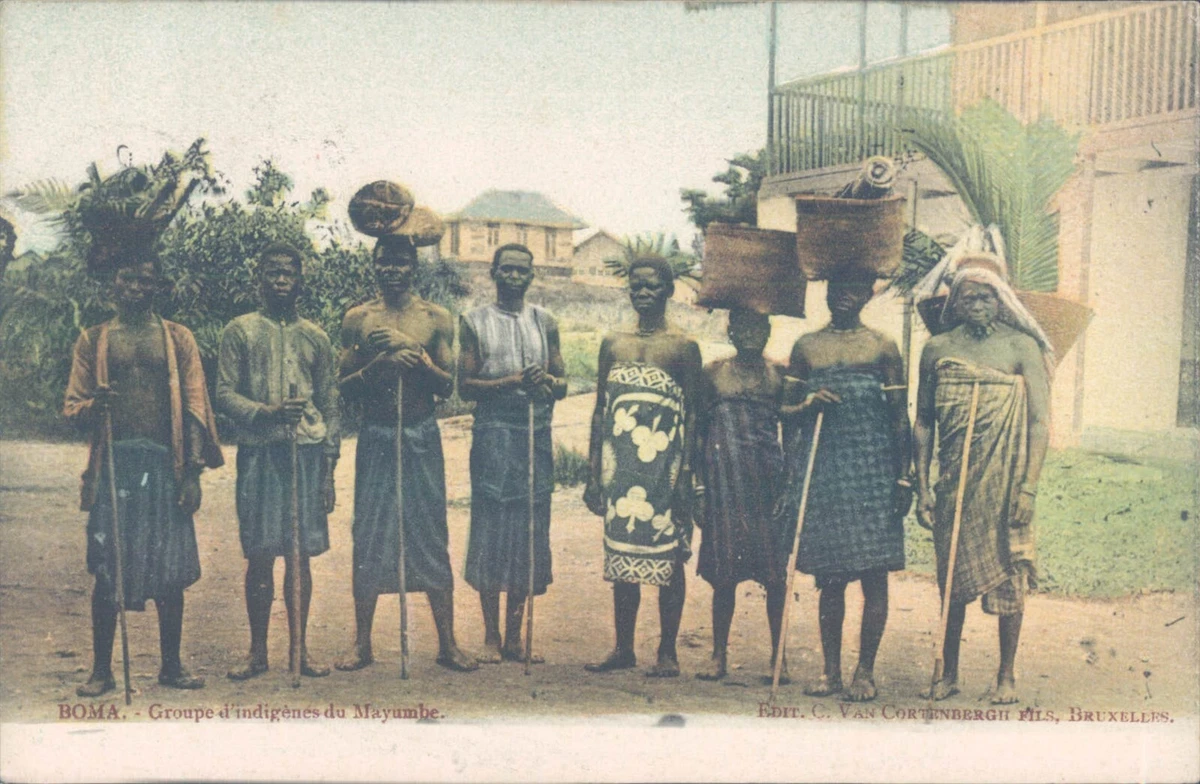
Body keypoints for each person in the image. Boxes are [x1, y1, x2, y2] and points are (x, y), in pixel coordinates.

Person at [64, 251, 224, 696]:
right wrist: (97, 404)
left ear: (159, 287)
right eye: (126, 277)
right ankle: (101, 670)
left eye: (145, 280)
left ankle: (171, 666)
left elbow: (195, 406)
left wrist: (191, 472)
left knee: (169, 571)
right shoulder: (93, 340)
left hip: (163, 465)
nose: (135, 287)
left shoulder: (177, 339)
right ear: (111, 283)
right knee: (107, 570)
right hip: (113, 467)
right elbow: (73, 407)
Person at [335, 234, 476, 672]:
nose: (392, 269)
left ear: (413, 268)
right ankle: (362, 644)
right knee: (370, 532)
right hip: (377, 434)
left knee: (429, 531)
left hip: (419, 433)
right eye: (384, 262)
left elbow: (446, 385)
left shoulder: (436, 318)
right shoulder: (357, 319)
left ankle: (448, 643)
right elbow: (343, 387)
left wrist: (410, 353)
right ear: (374, 266)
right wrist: (378, 364)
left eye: (400, 262)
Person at [914, 254, 1051, 705]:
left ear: (1002, 300)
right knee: (951, 577)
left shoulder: (1021, 348)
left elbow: (1037, 423)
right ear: (954, 303)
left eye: (987, 295)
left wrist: (1029, 487)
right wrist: (921, 487)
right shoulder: (937, 349)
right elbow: (925, 423)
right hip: (954, 483)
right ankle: (948, 671)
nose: (977, 303)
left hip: (1007, 483)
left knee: (1009, 577)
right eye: (968, 295)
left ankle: (1006, 675)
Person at [779, 270, 911, 701]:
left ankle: (865, 672)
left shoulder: (882, 346)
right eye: (837, 287)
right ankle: (831, 671)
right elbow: (783, 411)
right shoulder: (807, 347)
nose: (843, 295)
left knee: (875, 575)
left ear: (868, 293)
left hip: (873, 472)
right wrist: (807, 404)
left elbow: (898, 417)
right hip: (827, 470)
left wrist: (904, 475)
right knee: (830, 578)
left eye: (853, 287)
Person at [216, 242, 339, 681]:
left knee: (300, 556)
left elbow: (329, 404)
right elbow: (225, 393)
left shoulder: (316, 336)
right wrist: (265, 412)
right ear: (260, 279)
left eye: (289, 273)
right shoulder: (241, 330)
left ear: (300, 280)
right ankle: (257, 652)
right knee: (262, 555)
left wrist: (329, 469)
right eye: (273, 273)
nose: (281, 280)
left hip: (305, 455)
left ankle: (299, 650)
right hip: (260, 453)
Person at [583, 256, 701, 677]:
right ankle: (623, 648)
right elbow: (601, 410)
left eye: (652, 286)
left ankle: (668, 651)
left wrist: (686, 475)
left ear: (669, 290)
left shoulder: (683, 347)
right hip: (622, 470)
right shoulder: (614, 343)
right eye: (636, 286)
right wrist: (594, 469)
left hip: (664, 471)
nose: (643, 293)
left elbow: (692, 416)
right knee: (623, 556)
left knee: (669, 559)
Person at [458, 244, 567, 664]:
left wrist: (545, 382)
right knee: (491, 526)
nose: (514, 277)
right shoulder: (474, 321)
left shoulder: (545, 321)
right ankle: (488, 635)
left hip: (534, 435)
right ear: (493, 272)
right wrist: (511, 381)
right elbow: (464, 387)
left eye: (523, 270)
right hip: (493, 434)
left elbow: (564, 385)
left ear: (532, 275)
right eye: (507, 270)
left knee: (528, 529)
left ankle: (515, 636)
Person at [693, 308, 788, 682]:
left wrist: (788, 488)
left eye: (758, 327)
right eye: (743, 326)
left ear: (768, 330)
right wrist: (699, 486)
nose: (751, 334)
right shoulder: (714, 373)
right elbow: (698, 431)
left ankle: (778, 657)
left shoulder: (778, 374)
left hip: (766, 485)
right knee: (723, 576)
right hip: (724, 485)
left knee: (776, 578)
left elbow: (791, 432)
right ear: (730, 330)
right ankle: (718, 655)